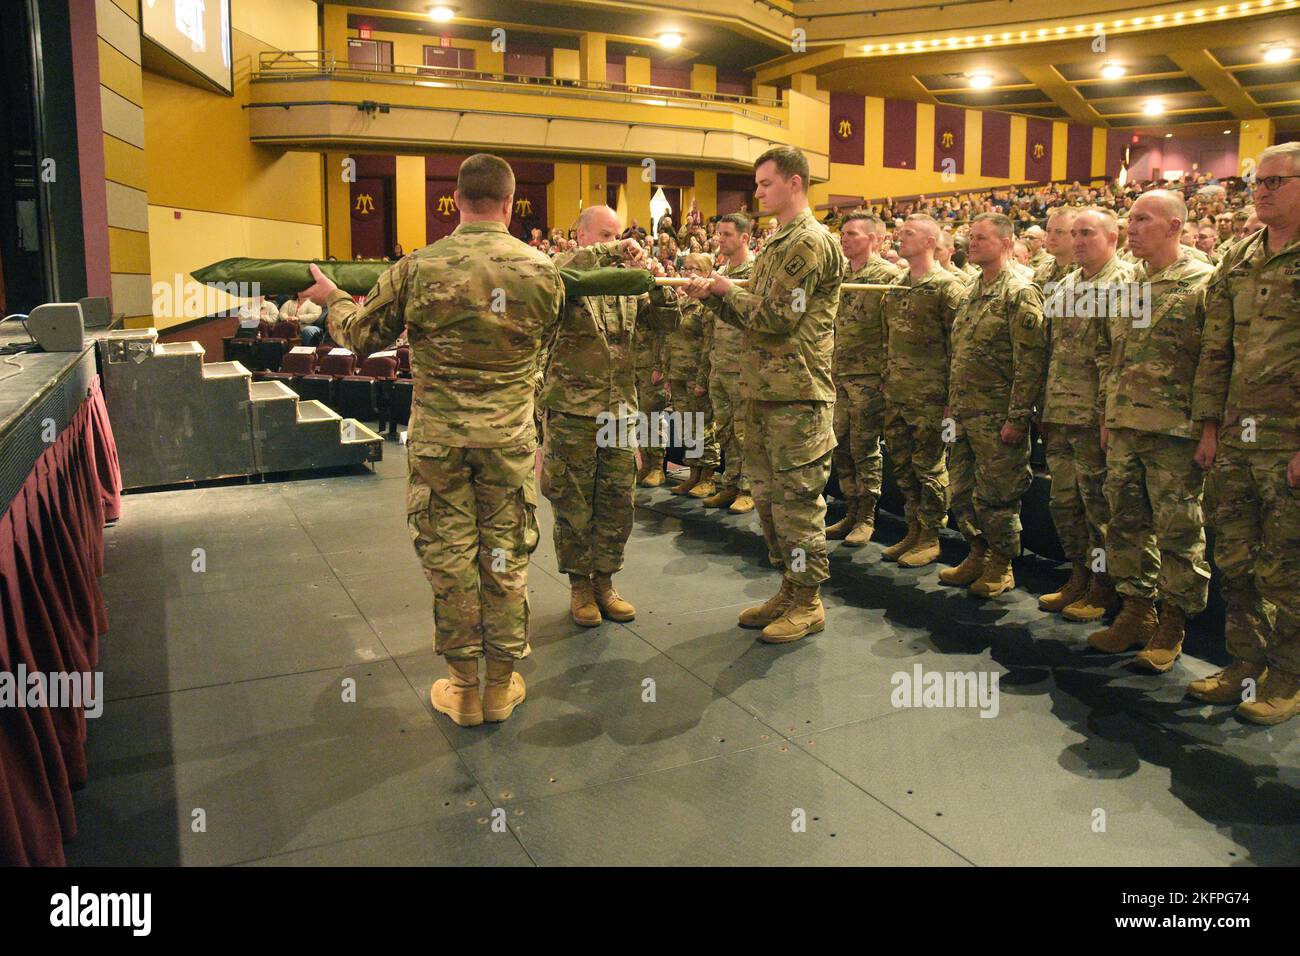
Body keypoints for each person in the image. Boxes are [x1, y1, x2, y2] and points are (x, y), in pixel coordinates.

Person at [300, 152, 565, 728]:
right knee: (505, 555)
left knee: (450, 557)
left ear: (457, 200)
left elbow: (362, 337)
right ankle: (500, 685)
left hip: (440, 441)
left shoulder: (419, 268)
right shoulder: (542, 272)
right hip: (509, 440)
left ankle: (464, 690)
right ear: (510, 201)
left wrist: (333, 300)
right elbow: (543, 351)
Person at [684, 146, 842, 643]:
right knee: (772, 505)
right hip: (765, 391)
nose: (757, 192)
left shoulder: (809, 243)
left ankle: (809, 600)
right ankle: (790, 588)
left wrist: (726, 291)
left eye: (765, 182)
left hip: (797, 397)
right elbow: (755, 320)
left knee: (797, 505)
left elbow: (777, 317)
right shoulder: (779, 244)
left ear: (795, 183)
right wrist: (715, 299)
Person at [1189, 142, 1300, 724]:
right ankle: (1245, 663)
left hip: (1290, 441)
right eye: (1258, 180)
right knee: (1233, 556)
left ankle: (1288, 675)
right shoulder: (1240, 254)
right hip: (1235, 434)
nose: (1260, 190)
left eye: (1275, 182)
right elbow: (1216, 348)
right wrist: (1209, 426)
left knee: (1287, 565)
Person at [1091, 189, 1214, 671]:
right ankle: (1136, 612)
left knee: (1178, 531)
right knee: (1124, 522)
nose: (1131, 227)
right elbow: (1109, 354)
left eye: (1143, 219)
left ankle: (1173, 623)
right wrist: (1107, 415)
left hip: (1175, 431)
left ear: (1174, 227)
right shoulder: (1125, 282)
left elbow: (1215, 360)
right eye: (1129, 218)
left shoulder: (1204, 282)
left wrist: (1210, 428)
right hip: (1124, 426)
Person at [543, 205, 681, 628]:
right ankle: (579, 585)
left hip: (620, 409)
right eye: (605, 235)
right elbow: (553, 273)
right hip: (573, 408)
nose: (618, 243)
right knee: (574, 500)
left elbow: (667, 322)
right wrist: (608, 255)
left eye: (619, 235)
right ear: (582, 236)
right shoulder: (562, 273)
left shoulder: (626, 284)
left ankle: (605, 580)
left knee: (618, 499)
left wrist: (656, 282)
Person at [939, 213, 1047, 597]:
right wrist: (952, 406)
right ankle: (977, 551)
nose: (973, 243)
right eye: (971, 237)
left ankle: (1002, 563)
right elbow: (960, 354)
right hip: (965, 411)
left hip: (999, 414)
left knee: (998, 494)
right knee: (962, 490)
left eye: (981, 238)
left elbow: (1030, 362)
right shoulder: (970, 291)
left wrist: (1019, 417)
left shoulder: (1019, 292)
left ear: (1005, 243)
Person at [1038, 208, 1134, 620]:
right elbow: (1051, 350)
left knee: (1100, 511)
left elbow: (1119, 359)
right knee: (1064, 503)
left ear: (1113, 237)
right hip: (1060, 413)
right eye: (1073, 233)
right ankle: (1078, 573)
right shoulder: (1066, 283)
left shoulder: (1125, 283)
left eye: (1087, 233)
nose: (1077, 241)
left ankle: (1103, 584)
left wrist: (1107, 418)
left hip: (1094, 420)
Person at [879, 214, 966, 565]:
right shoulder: (898, 285)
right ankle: (913, 528)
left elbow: (959, 347)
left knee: (929, 467)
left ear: (930, 242)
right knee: (902, 465)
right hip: (898, 393)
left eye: (909, 234)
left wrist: (950, 400)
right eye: (900, 233)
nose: (901, 237)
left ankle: (931, 534)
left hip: (932, 397)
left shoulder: (947, 288)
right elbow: (888, 339)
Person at [826, 213, 904, 547]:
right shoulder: (839, 274)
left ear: (874, 239)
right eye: (843, 233)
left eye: (852, 234)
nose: (844, 239)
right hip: (838, 372)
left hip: (869, 376)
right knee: (839, 443)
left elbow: (893, 331)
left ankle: (868, 516)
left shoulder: (887, 276)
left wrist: (888, 376)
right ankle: (851, 509)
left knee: (865, 447)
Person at [697, 213, 755, 514]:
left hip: (744, 366)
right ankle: (730, 483)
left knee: (745, 432)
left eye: (727, 234)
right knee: (725, 431)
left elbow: (754, 317)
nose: (720, 239)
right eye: (718, 234)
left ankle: (748, 489)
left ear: (744, 238)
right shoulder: (721, 271)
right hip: (720, 363)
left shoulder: (754, 272)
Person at [664, 252, 721, 499]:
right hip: (678, 374)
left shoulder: (706, 305)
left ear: (708, 273)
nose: (689, 273)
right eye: (685, 268)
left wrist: (702, 379)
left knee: (703, 426)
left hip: (696, 374)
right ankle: (694, 473)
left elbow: (710, 343)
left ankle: (708, 476)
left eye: (695, 269)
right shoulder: (680, 301)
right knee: (688, 426)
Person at [1034, 206, 1078, 289]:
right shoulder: (1041, 271)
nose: (1051, 237)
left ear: (1075, 234)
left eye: (1059, 232)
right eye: (1049, 231)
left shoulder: (1088, 271)